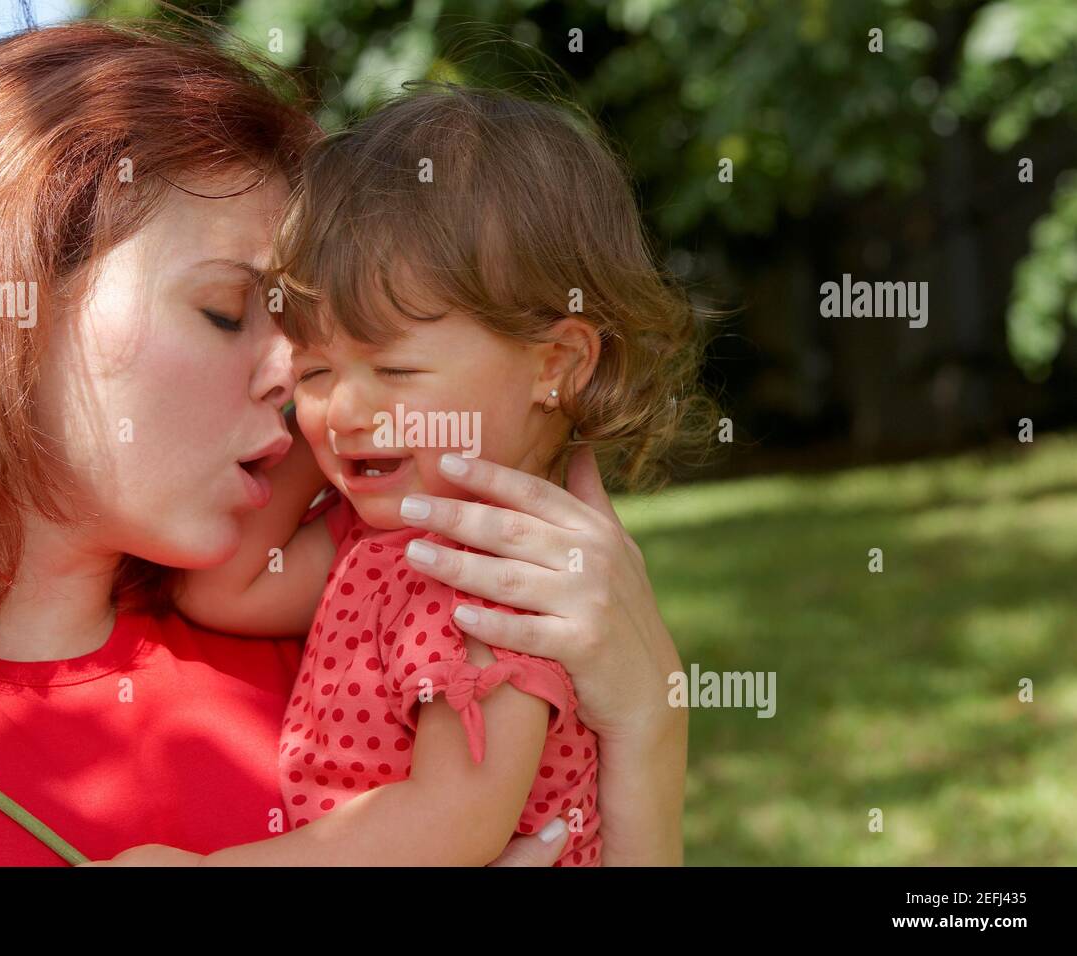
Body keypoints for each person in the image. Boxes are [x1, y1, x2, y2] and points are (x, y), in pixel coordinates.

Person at [0, 21, 687, 867]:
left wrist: (648, 726)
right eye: (224, 311)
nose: (300, 377)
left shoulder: (345, 605)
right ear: (2, 310)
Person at [141, 88, 707, 867]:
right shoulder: (381, 537)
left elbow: (450, 823)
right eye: (314, 369)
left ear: (558, 366)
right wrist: (335, 417)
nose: (343, 408)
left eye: (397, 368)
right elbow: (221, 588)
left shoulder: (505, 582)